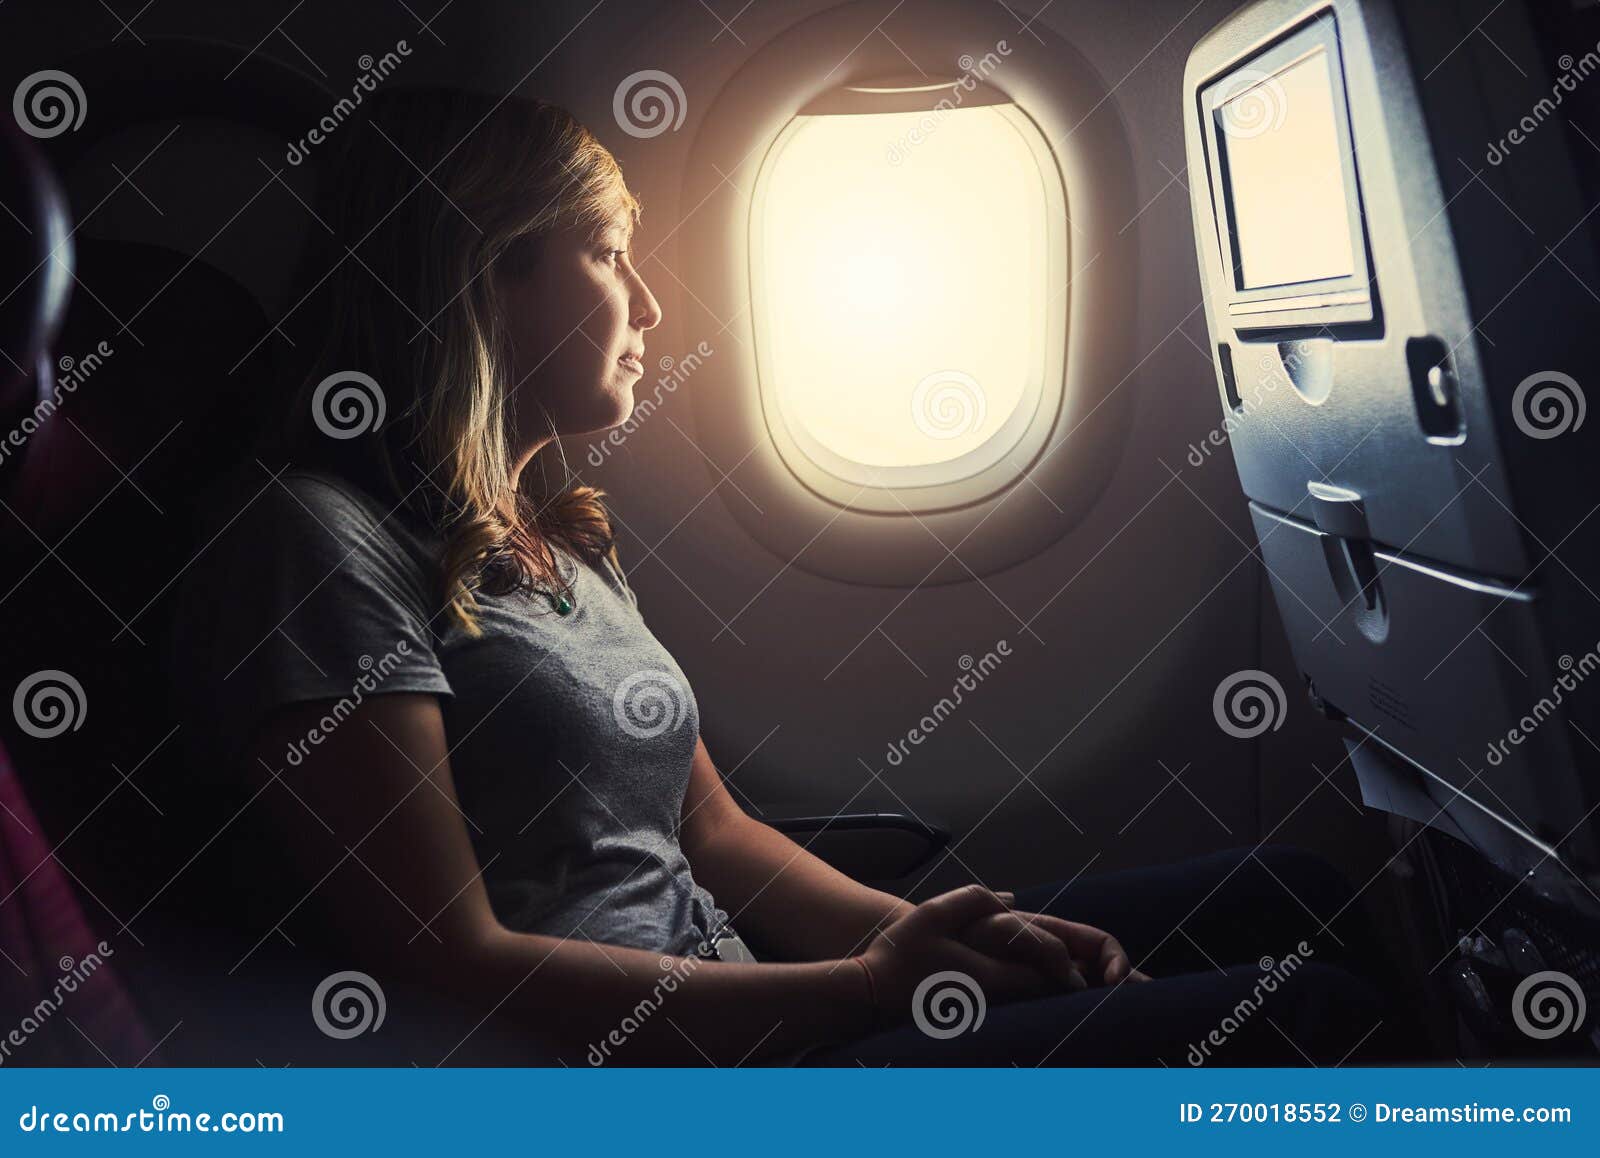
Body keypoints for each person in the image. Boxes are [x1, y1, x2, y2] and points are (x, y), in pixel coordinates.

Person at [164, 87, 1391, 1066]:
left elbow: (717, 833)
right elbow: (450, 959)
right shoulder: (315, 541)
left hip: (757, 1001)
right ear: (484, 271)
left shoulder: (560, 540)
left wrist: (930, 938)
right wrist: (868, 989)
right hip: (668, 1071)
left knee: (1291, 896)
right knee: (1311, 1012)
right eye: (609, 254)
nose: (649, 305)